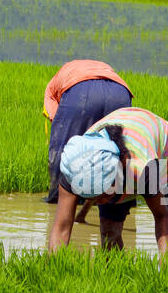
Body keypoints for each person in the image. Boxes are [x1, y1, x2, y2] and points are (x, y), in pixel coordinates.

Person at [50, 106, 168, 256]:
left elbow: (162, 216)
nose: (100, 202)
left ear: (118, 172)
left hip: (162, 147)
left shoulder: (144, 170)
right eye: (94, 197)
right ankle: (119, 274)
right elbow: (61, 228)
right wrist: (53, 267)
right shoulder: (74, 170)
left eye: (103, 193)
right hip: (112, 144)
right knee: (109, 232)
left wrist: (164, 271)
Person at [42, 60, 132, 221]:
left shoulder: (51, 89)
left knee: (63, 148)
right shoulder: (99, 68)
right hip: (120, 92)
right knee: (118, 150)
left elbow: (57, 123)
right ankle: (123, 203)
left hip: (81, 92)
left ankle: (57, 198)